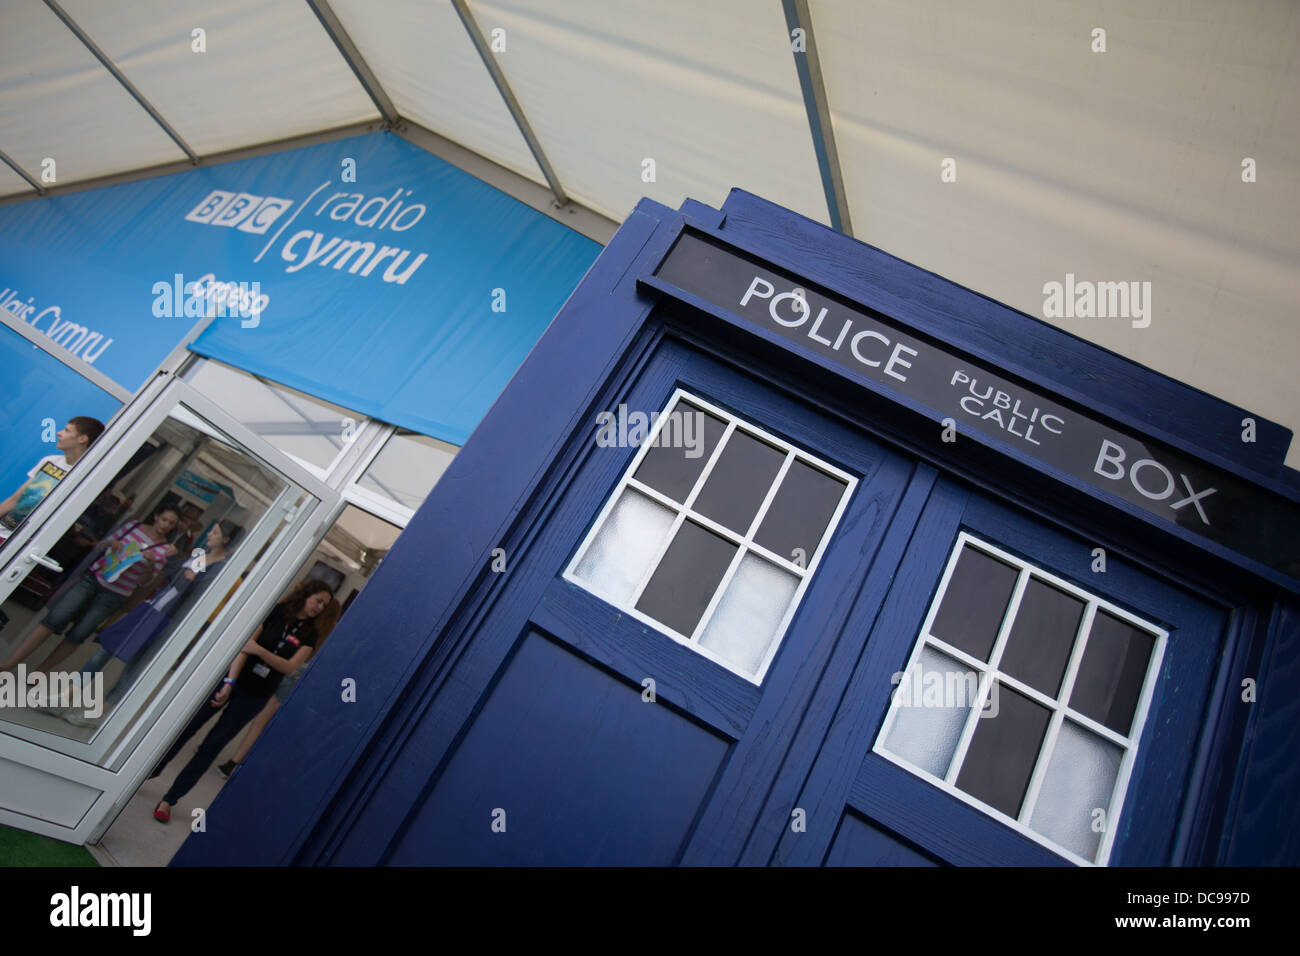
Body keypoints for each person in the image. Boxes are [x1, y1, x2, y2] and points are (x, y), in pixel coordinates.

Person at [150, 579, 332, 823]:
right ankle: (150, 769)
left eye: (324, 605)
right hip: (232, 680)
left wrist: (261, 652)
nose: (319, 608)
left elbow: (289, 667)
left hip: (255, 696)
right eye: (318, 601)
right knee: (186, 729)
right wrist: (230, 682)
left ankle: (170, 799)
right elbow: (245, 646)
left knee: (211, 746)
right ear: (307, 595)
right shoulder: (276, 611)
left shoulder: (311, 634)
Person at [61, 521, 239, 727]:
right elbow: (178, 578)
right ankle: (66, 695)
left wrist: (180, 570)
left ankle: (96, 713)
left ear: (226, 539)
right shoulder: (199, 554)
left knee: (134, 667)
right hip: (153, 608)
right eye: (211, 529)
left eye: (215, 533)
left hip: (168, 621)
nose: (209, 535)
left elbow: (192, 592)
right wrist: (174, 564)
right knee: (107, 648)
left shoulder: (219, 568)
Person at [0, 507, 180, 673]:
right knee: (54, 619)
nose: (166, 525)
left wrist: (150, 564)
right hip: (94, 579)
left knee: (79, 634)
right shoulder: (133, 527)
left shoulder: (164, 550)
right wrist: (112, 543)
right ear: (156, 517)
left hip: (116, 594)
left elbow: (144, 582)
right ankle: (11, 663)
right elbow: (101, 545)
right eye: (164, 519)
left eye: (171, 523)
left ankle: (39, 673)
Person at [216, 596, 341, 777]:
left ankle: (229, 758)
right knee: (261, 720)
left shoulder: (309, 627)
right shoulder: (330, 632)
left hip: (279, 668)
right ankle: (233, 762)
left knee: (253, 715)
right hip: (297, 673)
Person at [0, 417, 105, 542]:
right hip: (4, 530)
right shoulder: (50, 460)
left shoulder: (83, 477)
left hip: (19, 543)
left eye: (67, 430)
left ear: (82, 439)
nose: (58, 433)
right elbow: (14, 500)